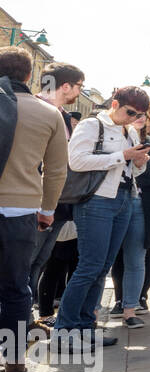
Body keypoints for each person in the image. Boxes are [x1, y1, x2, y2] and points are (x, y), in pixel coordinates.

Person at [50, 87, 150, 352]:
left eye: (139, 115)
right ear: (115, 103)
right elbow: (76, 161)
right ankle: (64, 330)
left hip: (123, 199)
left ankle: (85, 328)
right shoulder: (92, 125)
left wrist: (139, 161)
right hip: (96, 201)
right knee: (89, 266)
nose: (133, 118)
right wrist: (123, 156)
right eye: (130, 112)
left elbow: (129, 170)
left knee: (102, 267)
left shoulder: (129, 131)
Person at [0, 47, 69, 372]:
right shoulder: (48, 113)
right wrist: (47, 210)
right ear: (29, 76)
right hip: (21, 210)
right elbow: (56, 171)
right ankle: (13, 358)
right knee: (16, 285)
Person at [110, 103, 150, 326]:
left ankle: (136, 301)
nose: (139, 118)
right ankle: (119, 301)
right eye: (134, 114)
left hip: (143, 203)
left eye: (144, 116)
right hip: (115, 200)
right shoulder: (117, 137)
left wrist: (143, 166)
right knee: (115, 256)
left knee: (140, 254)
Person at [27, 62, 81, 321]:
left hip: (57, 203)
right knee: (25, 265)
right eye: (79, 86)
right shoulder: (37, 109)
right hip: (34, 201)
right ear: (66, 85)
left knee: (38, 262)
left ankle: (26, 321)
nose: (79, 92)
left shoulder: (64, 116)